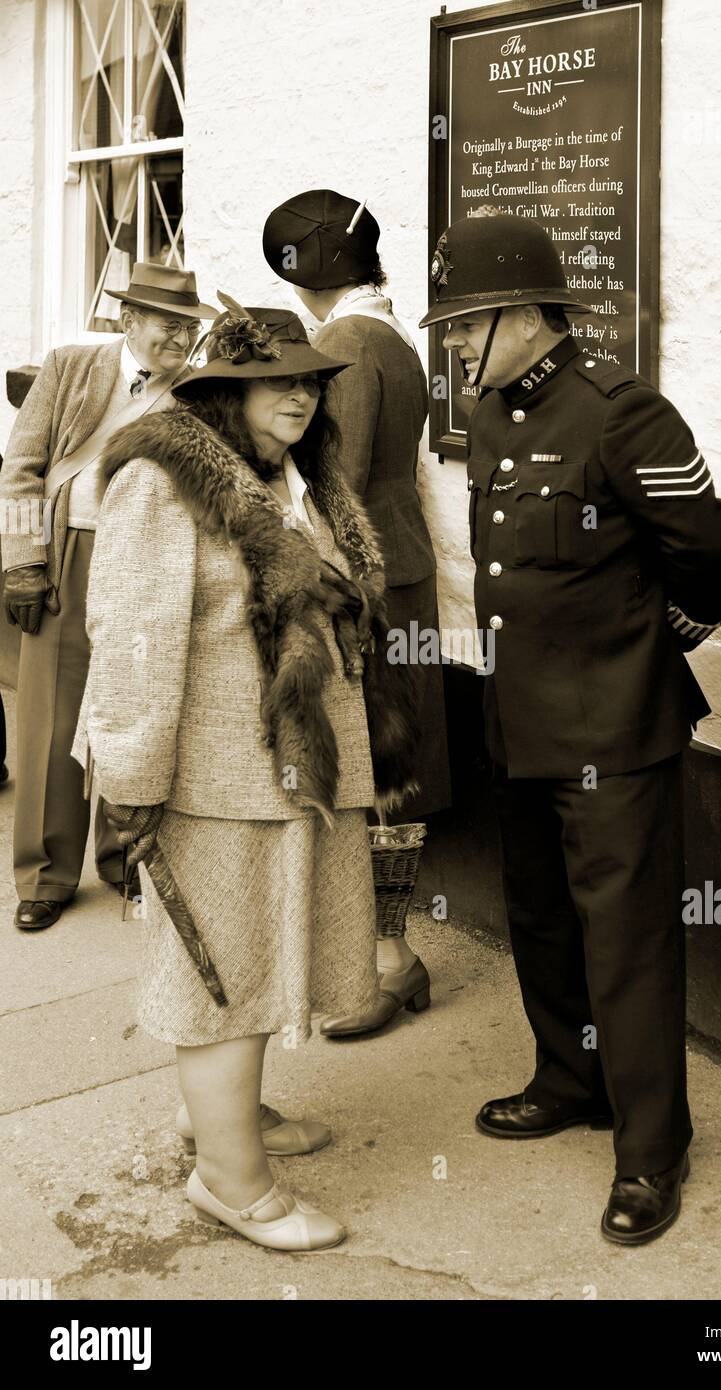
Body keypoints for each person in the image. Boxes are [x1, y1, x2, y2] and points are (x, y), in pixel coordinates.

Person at [419, 212, 721, 1245]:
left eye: (469, 322)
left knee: (630, 941)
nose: (456, 343)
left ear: (528, 311)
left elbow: (707, 549)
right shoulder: (500, 412)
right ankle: (571, 1078)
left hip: (614, 727)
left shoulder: (619, 410)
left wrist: (660, 638)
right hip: (520, 717)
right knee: (543, 917)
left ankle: (652, 1151)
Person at [71, 304, 418, 1251]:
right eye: (279, 382)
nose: (302, 395)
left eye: (310, 380)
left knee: (260, 954)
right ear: (224, 392)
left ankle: (220, 1118)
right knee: (220, 975)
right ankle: (231, 1182)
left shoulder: (295, 479)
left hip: (289, 770)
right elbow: (134, 643)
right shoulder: (160, 482)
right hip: (215, 778)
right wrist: (134, 785)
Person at [263, 189, 451, 1037]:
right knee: (396, 765)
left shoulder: (342, 341)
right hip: (404, 573)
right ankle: (388, 951)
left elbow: (332, 486)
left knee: (379, 767)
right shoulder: (392, 335)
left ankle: (388, 956)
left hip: (365, 585)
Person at [0, 262, 217, 931]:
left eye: (189, 325)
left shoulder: (199, 393)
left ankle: (128, 861)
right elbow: (21, 468)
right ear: (128, 321)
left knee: (134, 709)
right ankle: (44, 875)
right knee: (51, 722)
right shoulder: (70, 367)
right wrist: (20, 562)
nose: (181, 336)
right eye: (168, 323)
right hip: (66, 552)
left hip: (148, 562)